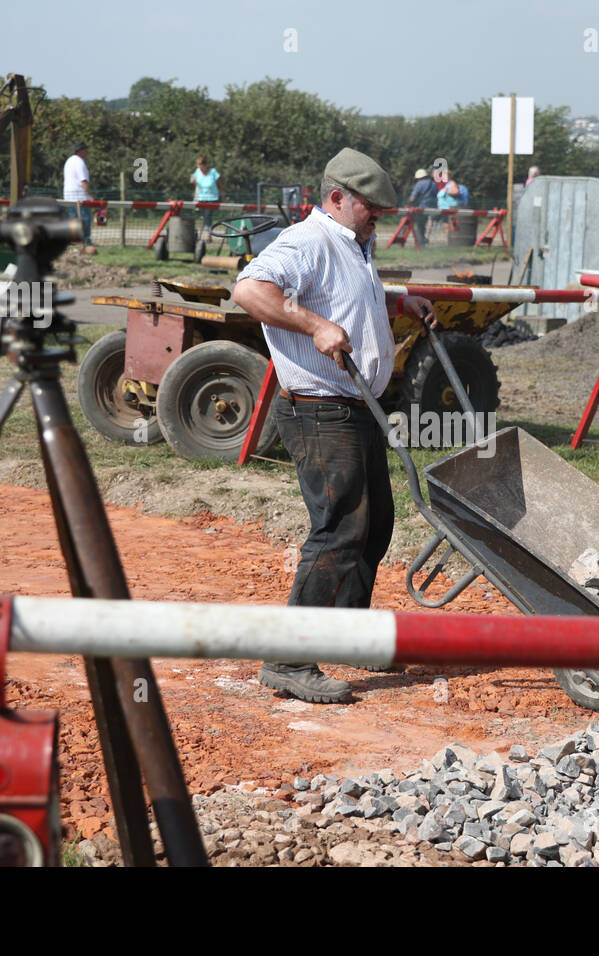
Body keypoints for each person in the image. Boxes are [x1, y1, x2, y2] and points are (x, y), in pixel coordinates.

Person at [231, 148, 436, 704]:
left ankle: (345, 634)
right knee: (340, 529)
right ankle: (288, 658)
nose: (379, 219)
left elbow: (348, 299)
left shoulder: (355, 244)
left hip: (356, 404)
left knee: (376, 525)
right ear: (337, 198)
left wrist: (399, 300)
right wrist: (313, 325)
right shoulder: (306, 241)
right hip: (320, 407)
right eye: (372, 208)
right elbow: (249, 291)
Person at [62, 142, 93, 247]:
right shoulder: (80, 162)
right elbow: (83, 181)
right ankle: (86, 241)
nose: (87, 152)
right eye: (86, 149)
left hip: (69, 196)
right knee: (85, 219)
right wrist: (90, 196)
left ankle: (72, 240)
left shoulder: (69, 161)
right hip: (80, 197)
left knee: (72, 220)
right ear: (80, 151)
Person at [190, 156, 221, 236]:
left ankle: (208, 233)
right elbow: (192, 179)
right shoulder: (197, 171)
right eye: (198, 165)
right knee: (204, 216)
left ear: (205, 165)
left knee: (208, 215)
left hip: (212, 197)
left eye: (201, 165)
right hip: (201, 197)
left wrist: (223, 195)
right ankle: (207, 230)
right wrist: (192, 180)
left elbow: (220, 183)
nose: (199, 167)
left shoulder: (213, 172)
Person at [406, 167, 437, 246]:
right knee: (429, 222)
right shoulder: (433, 184)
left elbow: (412, 198)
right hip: (433, 207)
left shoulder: (419, 184)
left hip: (422, 207)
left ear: (419, 178)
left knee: (420, 225)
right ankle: (426, 237)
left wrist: (410, 202)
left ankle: (420, 241)